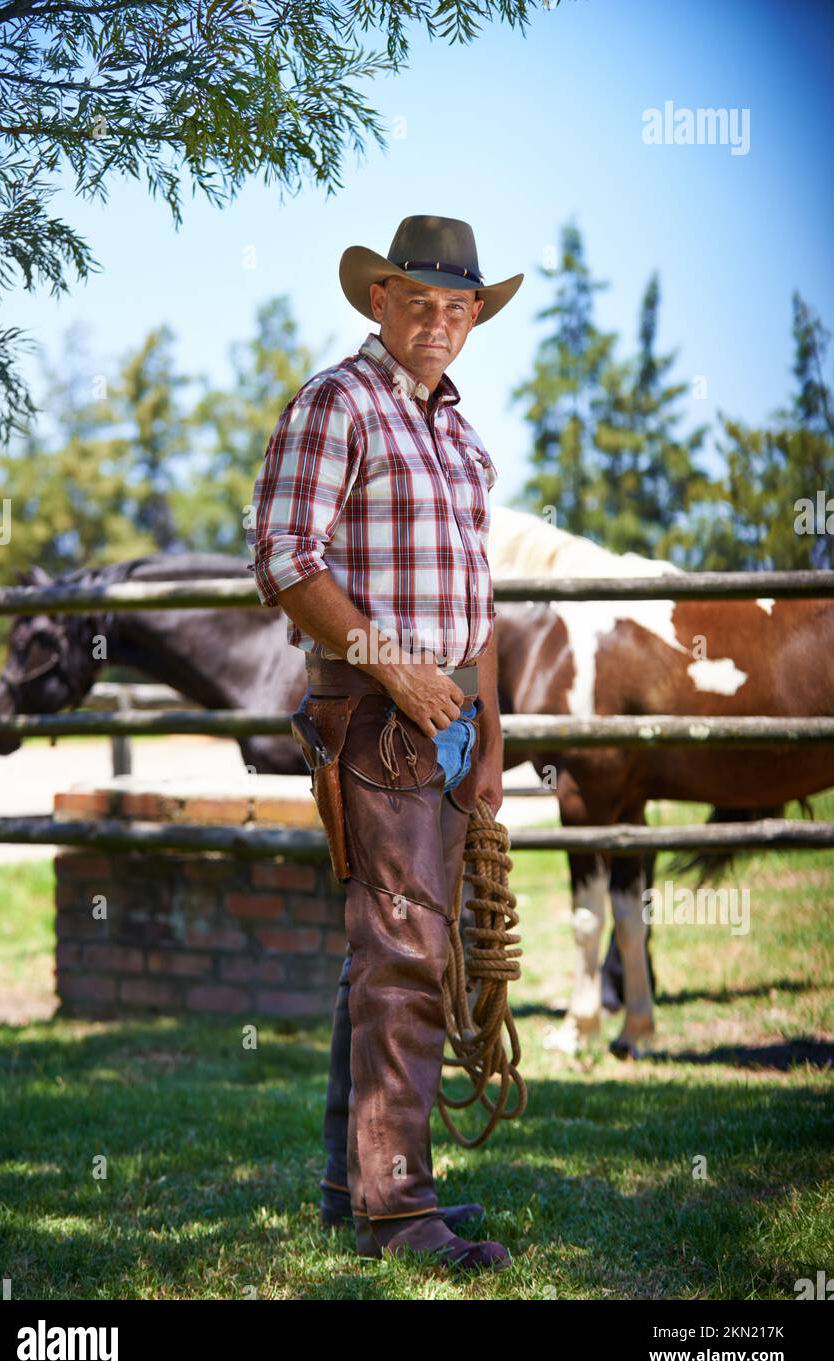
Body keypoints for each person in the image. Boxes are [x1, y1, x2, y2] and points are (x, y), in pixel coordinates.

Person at [246, 214, 523, 1271]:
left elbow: (479, 604)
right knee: (403, 953)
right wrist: (394, 666)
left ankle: (346, 1182)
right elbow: (281, 558)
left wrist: (489, 733)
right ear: (379, 301)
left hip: (449, 729)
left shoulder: (459, 434)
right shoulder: (337, 403)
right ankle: (400, 1212)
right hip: (375, 719)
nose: (440, 324)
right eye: (420, 303)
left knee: (395, 952)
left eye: (459, 308)